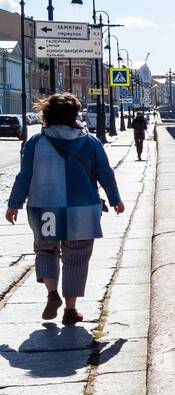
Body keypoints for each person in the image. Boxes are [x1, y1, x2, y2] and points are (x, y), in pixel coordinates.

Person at [4, 93, 124, 326]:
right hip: (83, 210)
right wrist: (115, 198)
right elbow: (105, 173)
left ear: (46, 115)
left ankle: (51, 293)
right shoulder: (90, 142)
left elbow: (24, 176)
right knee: (77, 258)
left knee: (46, 250)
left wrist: (14, 204)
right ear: (74, 115)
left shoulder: (35, 143)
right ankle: (70, 309)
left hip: (44, 206)